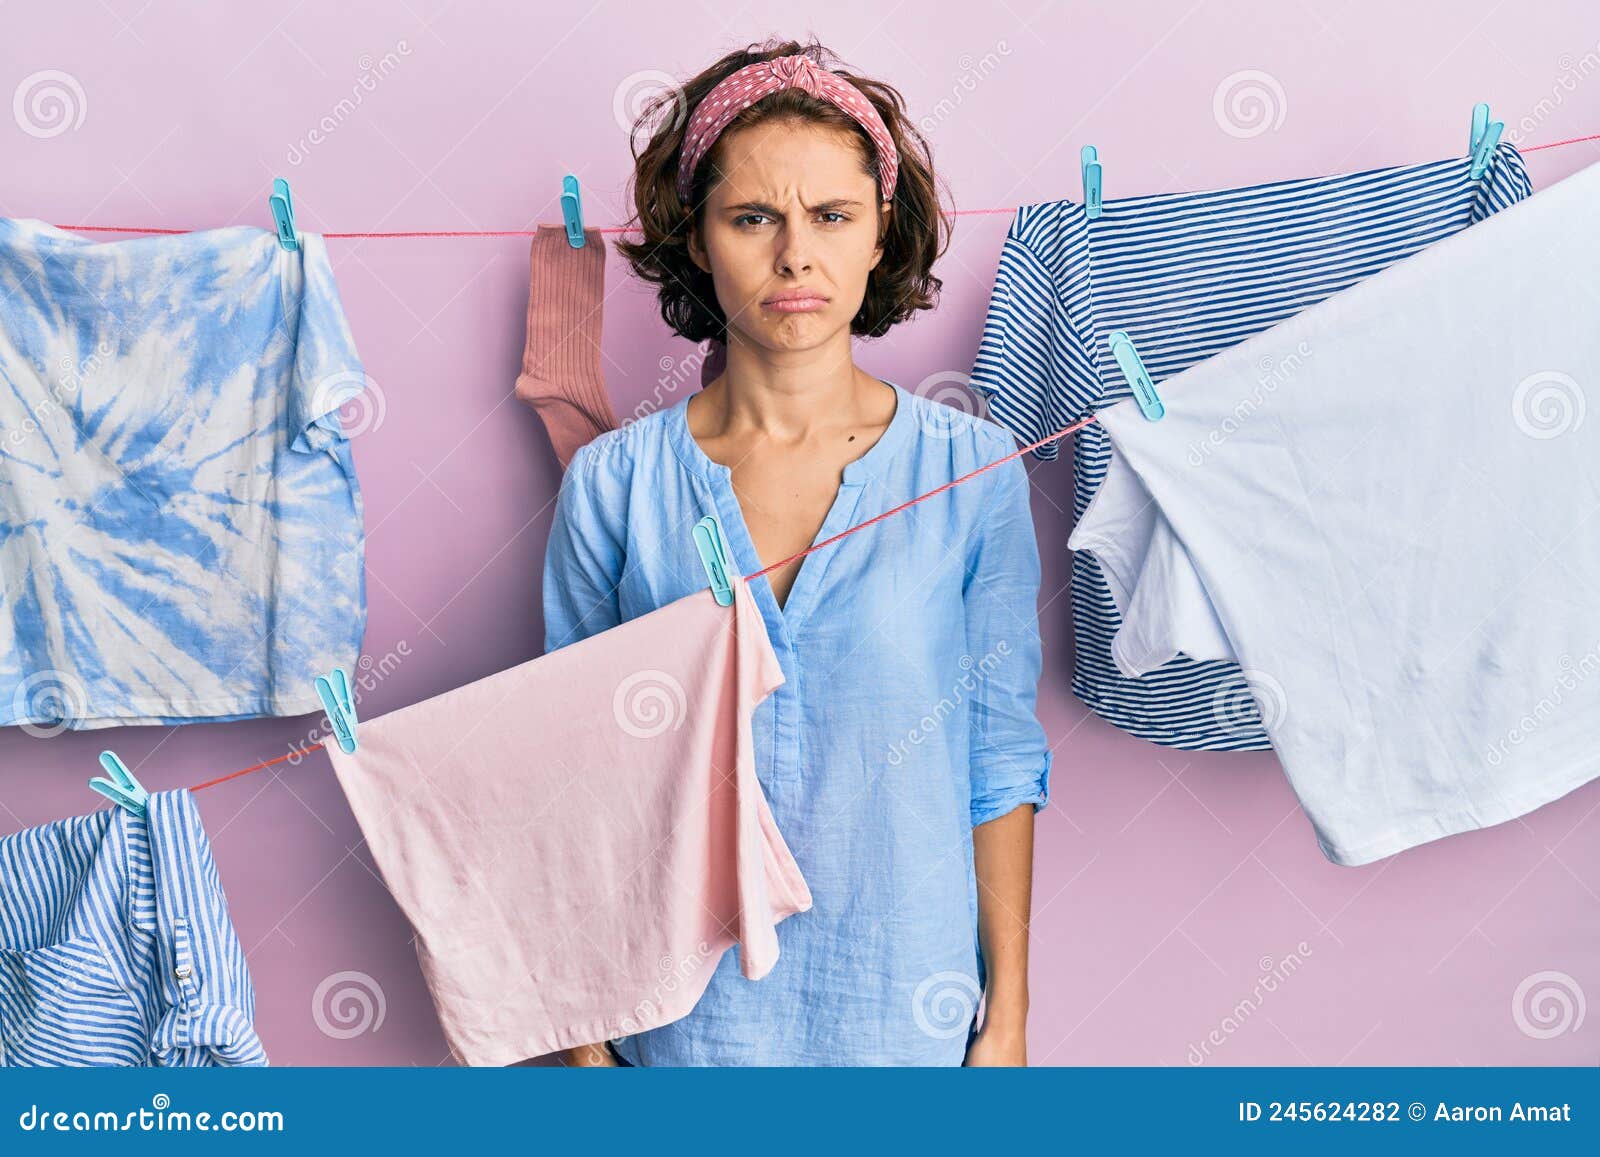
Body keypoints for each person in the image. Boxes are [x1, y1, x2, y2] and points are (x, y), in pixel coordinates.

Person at [542, 38, 1052, 1066]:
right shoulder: (612, 486)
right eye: (751, 218)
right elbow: (576, 778)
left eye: (831, 216)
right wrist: (585, 1041)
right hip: (678, 1028)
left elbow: (995, 756)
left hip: (907, 1015)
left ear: (879, 239)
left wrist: (1007, 1018)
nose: (794, 257)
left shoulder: (972, 471)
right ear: (697, 242)